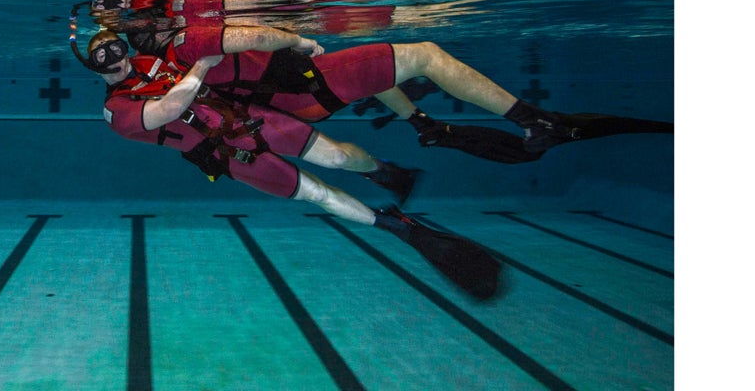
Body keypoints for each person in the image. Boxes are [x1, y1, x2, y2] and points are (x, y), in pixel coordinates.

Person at [80, 29, 501, 300]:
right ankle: (393, 225)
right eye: (101, 58)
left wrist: (287, 44)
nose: (113, 59)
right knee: (316, 191)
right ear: (91, 67)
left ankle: (382, 171)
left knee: (338, 155)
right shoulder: (116, 111)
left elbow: (227, 41)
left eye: (115, 48)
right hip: (231, 156)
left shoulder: (153, 59)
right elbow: (169, 109)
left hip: (253, 121)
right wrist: (200, 67)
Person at [111, 20, 672, 162]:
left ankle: (423, 127)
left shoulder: (159, 65)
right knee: (423, 54)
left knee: (381, 70)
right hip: (306, 84)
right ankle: (535, 119)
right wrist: (300, 39)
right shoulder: (185, 38)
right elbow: (251, 33)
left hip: (299, 102)